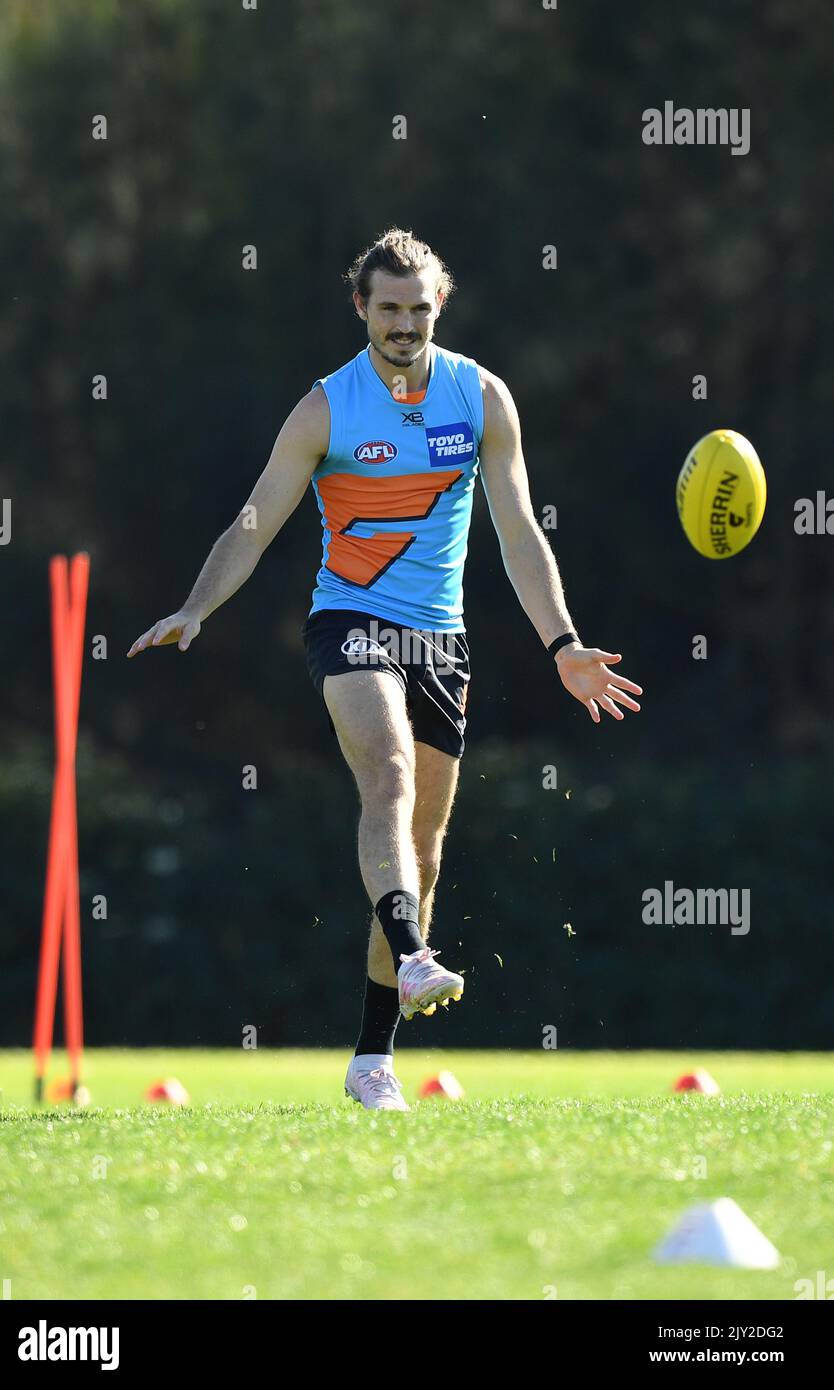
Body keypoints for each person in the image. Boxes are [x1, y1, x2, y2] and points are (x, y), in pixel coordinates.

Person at [127, 228, 643, 1110]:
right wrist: (196, 606)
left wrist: (562, 645)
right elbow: (254, 524)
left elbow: (519, 533)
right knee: (389, 778)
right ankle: (412, 957)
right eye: (388, 307)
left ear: (439, 305)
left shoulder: (481, 398)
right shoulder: (326, 408)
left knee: (426, 853)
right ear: (360, 307)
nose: (404, 323)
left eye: (418, 307)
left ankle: (373, 1061)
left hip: (443, 640)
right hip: (351, 623)